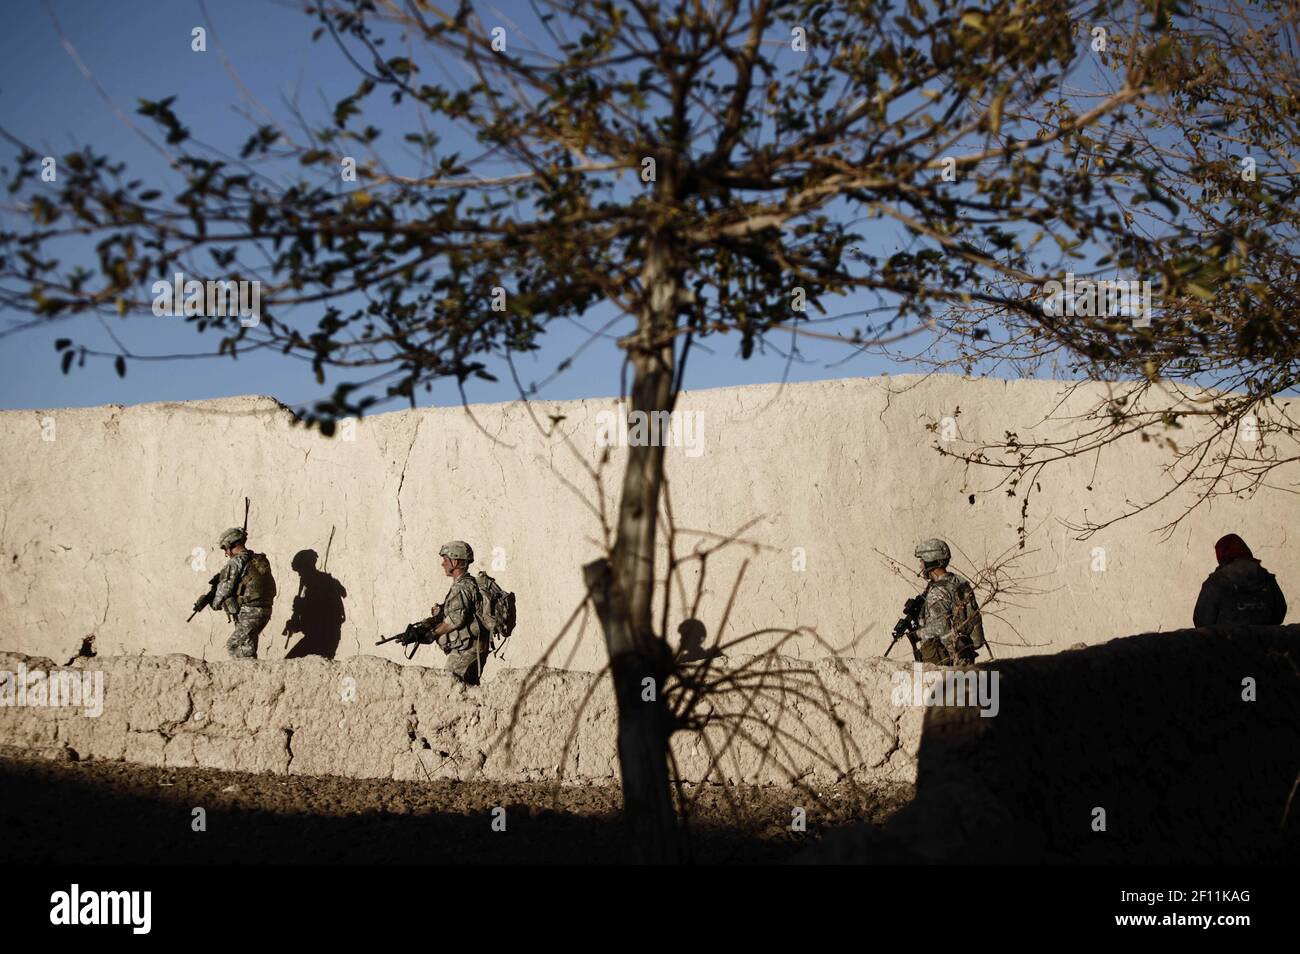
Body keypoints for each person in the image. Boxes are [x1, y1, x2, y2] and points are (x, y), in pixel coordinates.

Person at [402, 541, 490, 684]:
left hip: (467, 651)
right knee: (466, 688)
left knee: (450, 686)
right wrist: (421, 630)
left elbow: (455, 619)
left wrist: (432, 634)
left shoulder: (461, 587)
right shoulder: (468, 584)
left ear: (454, 561)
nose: (443, 564)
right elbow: (449, 614)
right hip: (473, 648)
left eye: (445, 559)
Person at [205, 527, 277, 658]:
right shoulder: (255, 559)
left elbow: (225, 587)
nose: (226, 553)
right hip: (263, 610)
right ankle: (253, 674)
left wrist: (215, 603)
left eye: (224, 548)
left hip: (251, 611)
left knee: (235, 644)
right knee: (246, 645)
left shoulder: (236, 562)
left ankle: (248, 676)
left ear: (231, 545)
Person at [912, 538, 985, 665]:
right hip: (965, 654)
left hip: (948, 661)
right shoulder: (959, 582)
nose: (920, 565)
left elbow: (941, 629)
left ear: (931, 561)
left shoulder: (938, 592)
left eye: (922, 561)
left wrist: (918, 633)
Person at [1193, 533, 1287, 627]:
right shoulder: (1267, 579)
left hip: (1226, 641)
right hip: (1265, 640)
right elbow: (1279, 613)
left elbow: (1202, 621)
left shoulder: (1215, 584)